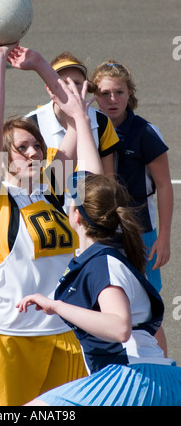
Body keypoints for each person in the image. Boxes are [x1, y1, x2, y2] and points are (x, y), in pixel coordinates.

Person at [0, 38, 102, 406]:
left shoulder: (51, 189)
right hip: (6, 338)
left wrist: (41, 65)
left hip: (63, 336)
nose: (35, 151)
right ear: (5, 160)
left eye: (36, 144)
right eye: (22, 148)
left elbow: (73, 117)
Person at [17, 82, 181, 405]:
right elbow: (92, 178)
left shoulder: (101, 263)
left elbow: (119, 326)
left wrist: (54, 306)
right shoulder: (114, 243)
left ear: (75, 216)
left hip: (132, 379)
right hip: (150, 377)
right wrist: (80, 116)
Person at [90, 60, 173, 295]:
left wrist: (164, 237)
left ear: (130, 93)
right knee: (105, 294)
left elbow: (165, 186)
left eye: (119, 92)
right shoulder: (87, 127)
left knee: (146, 298)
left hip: (140, 227)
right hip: (100, 227)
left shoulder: (145, 133)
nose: (112, 99)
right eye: (104, 93)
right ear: (94, 95)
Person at [25, 52, 119, 176]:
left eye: (77, 82)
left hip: (90, 194)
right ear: (49, 88)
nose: (71, 88)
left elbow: (108, 179)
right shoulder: (30, 124)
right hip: (48, 194)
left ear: (86, 86)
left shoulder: (102, 121)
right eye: (63, 83)